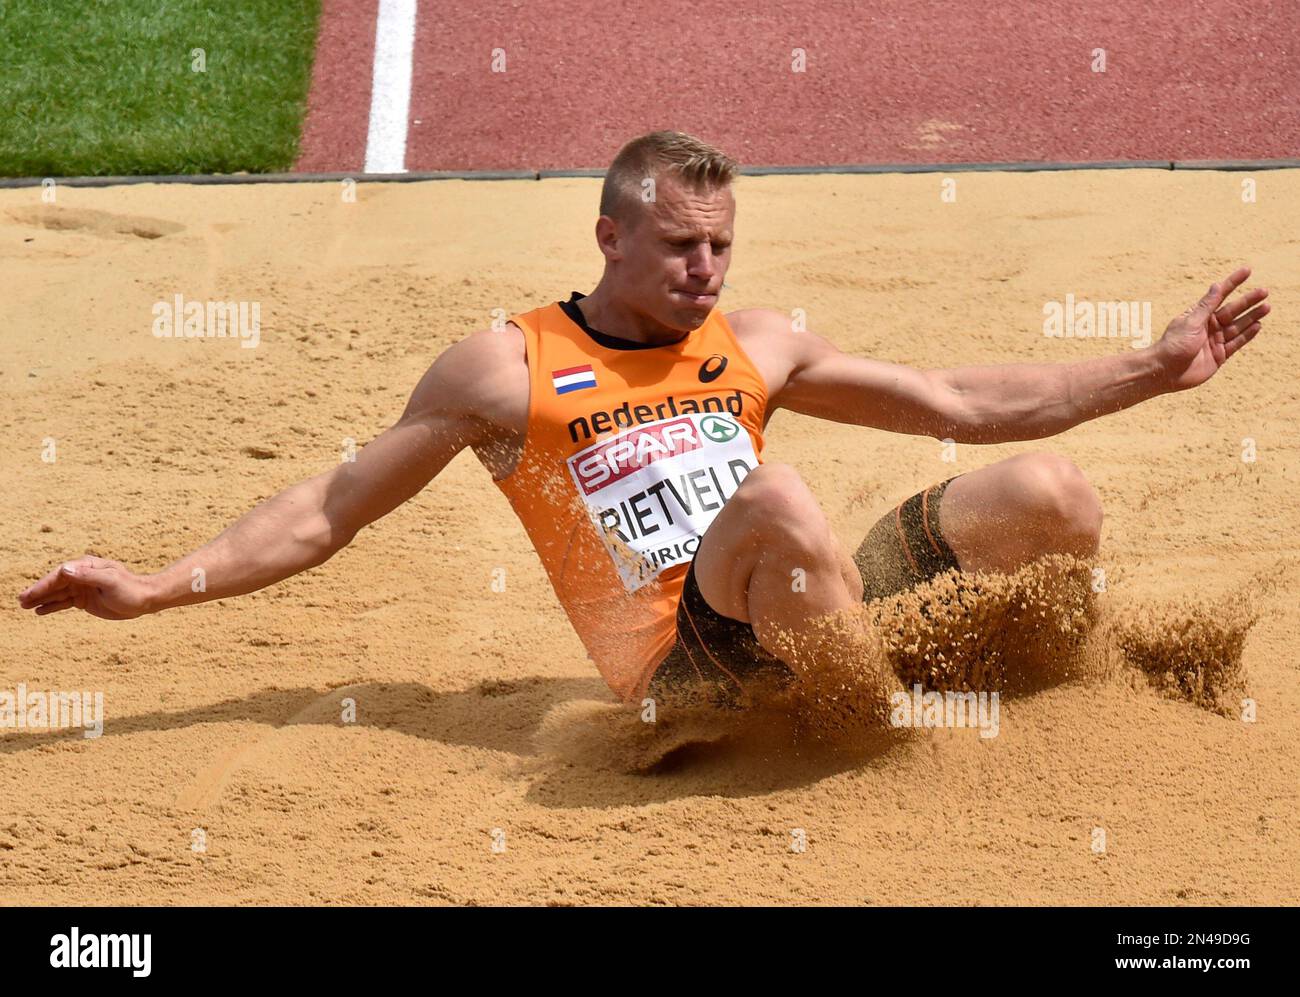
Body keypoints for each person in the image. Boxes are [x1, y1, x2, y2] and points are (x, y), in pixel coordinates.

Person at [17, 130, 1270, 713]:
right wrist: (148, 588)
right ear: (610, 235)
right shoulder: (500, 373)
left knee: (1055, 496)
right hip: (691, 670)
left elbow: (956, 402)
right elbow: (324, 510)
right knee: (774, 498)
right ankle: (883, 719)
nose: (706, 273)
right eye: (679, 247)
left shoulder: (756, 341)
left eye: (721, 247)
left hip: (808, 605)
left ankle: (1048, 672)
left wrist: (1153, 368)